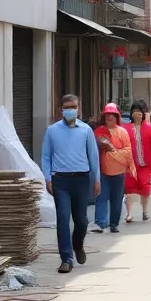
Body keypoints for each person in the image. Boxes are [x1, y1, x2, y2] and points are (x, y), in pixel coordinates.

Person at [42, 94, 101, 274]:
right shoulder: (52, 131)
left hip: (81, 180)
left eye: (74, 106)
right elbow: (46, 156)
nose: (71, 110)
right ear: (61, 110)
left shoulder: (85, 131)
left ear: (79, 108)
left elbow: (94, 156)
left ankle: (78, 245)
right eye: (67, 107)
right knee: (62, 217)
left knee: (81, 220)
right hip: (61, 180)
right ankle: (66, 258)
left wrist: (96, 179)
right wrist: (48, 178)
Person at [92, 103, 132, 234]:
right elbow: (92, 150)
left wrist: (112, 151)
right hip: (102, 172)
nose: (110, 117)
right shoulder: (98, 132)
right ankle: (100, 223)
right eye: (107, 115)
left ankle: (114, 223)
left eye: (112, 115)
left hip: (119, 172)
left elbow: (128, 151)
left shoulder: (122, 132)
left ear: (117, 117)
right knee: (101, 197)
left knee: (116, 199)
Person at [123, 102, 151, 223]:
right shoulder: (125, 128)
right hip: (130, 164)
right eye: (135, 111)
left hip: (145, 164)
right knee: (129, 188)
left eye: (140, 111)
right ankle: (129, 213)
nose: (137, 114)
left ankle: (145, 211)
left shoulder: (149, 128)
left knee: (144, 187)